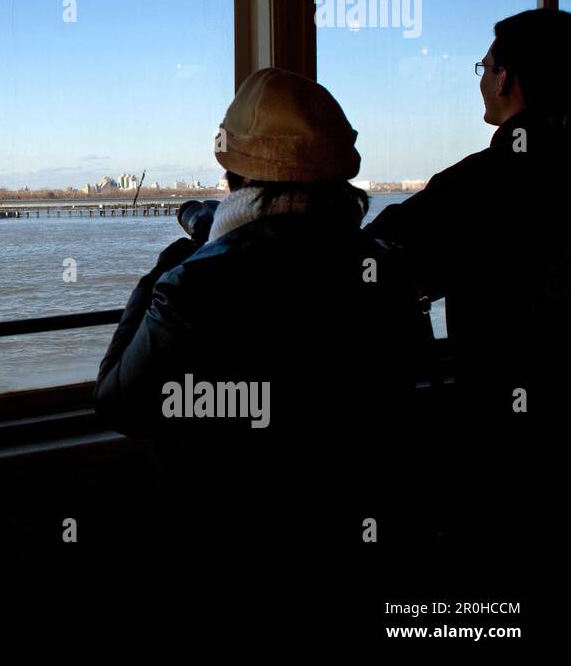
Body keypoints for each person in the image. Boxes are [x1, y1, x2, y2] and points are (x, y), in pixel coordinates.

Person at [95, 69, 432, 566]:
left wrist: (164, 272)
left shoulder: (195, 284)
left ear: (235, 180)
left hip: (227, 538)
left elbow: (119, 404)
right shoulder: (383, 268)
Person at [365, 8, 568, 552]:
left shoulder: (479, 184)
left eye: (484, 66)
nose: (481, 78)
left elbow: (371, 262)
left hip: (514, 451)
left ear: (506, 78)